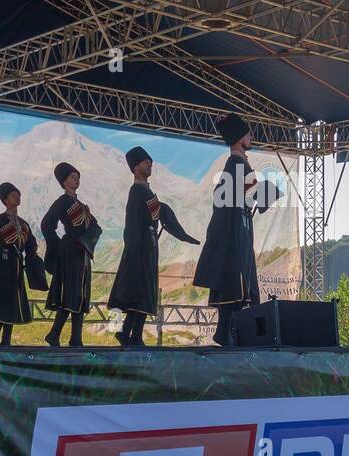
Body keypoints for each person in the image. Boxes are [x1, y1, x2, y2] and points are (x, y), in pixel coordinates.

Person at [194, 113, 279, 346]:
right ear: (239, 137)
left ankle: (228, 333)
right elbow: (254, 197)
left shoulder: (238, 165)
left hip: (238, 232)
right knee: (236, 286)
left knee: (239, 287)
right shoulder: (237, 164)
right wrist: (273, 189)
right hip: (234, 235)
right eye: (248, 133)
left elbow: (249, 199)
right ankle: (226, 334)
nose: (251, 137)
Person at [108, 147, 199, 346]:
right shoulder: (137, 191)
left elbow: (162, 212)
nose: (150, 164)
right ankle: (131, 334)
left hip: (148, 247)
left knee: (144, 291)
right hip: (140, 248)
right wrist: (134, 249)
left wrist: (182, 235)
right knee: (140, 290)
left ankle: (129, 334)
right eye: (146, 161)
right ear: (135, 167)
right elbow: (131, 224)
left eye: (150, 161)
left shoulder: (146, 192)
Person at [40, 162, 101, 347]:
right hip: (70, 251)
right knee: (71, 293)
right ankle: (58, 335)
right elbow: (47, 224)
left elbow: (96, 226)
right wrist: (58, 245)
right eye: (72, 176)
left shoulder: (82, 205)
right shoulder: (62, 202)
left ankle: (74, 338)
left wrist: (87, 240)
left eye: (78, 176)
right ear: (64, 181)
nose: (77, 179)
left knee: (80, 294)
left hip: (82, 252)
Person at [0, 181, 37, 346]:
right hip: (4, 266)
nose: (17, 197)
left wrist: (31, 257)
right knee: (4, 299)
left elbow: (31, 242)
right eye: (13, 195)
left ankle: (5, 340)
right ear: (5, 200)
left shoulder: (23, 223)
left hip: (17, 265)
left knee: (13, 300)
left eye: (18, 194)